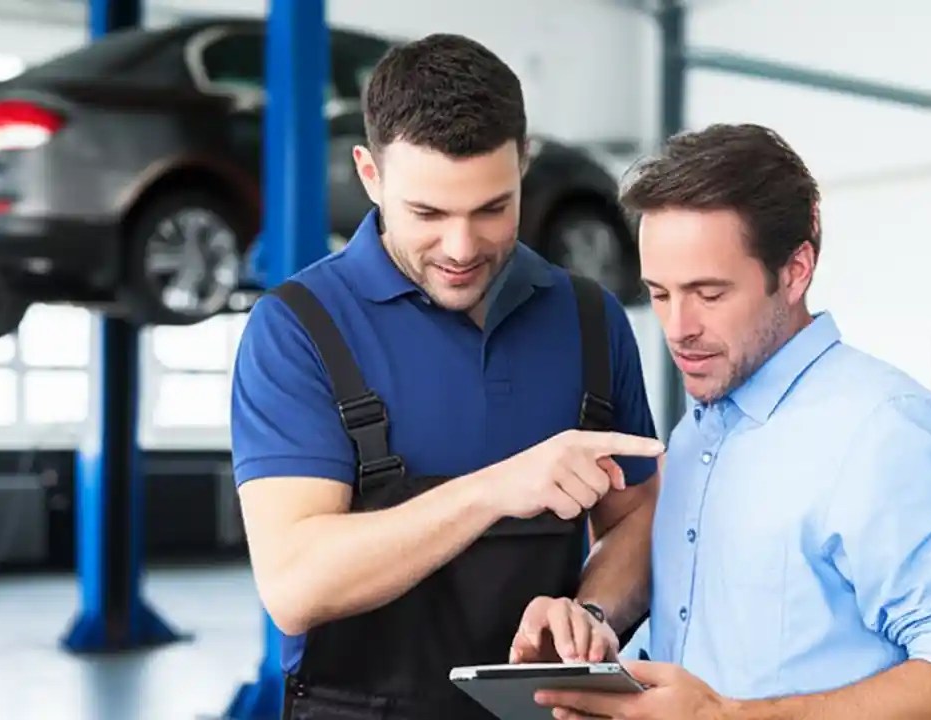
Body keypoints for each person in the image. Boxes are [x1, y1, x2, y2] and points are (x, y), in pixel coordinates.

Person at [230, 33, 664, 720]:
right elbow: (294, 582)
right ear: (370, 174)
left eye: (492, 208)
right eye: (428, 214)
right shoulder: (297, 332)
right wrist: (495, 489)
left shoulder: (589, 322)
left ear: (523, 163)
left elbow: (639, 513)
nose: (462, 248)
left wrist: (591, 612)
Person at [528, 124, 931, 719]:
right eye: (660, 294)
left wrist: (724, 718)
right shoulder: (700, 431)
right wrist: (592, 623)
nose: (677, 328)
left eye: (708, 294)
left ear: (795, 270)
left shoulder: (884, 435)